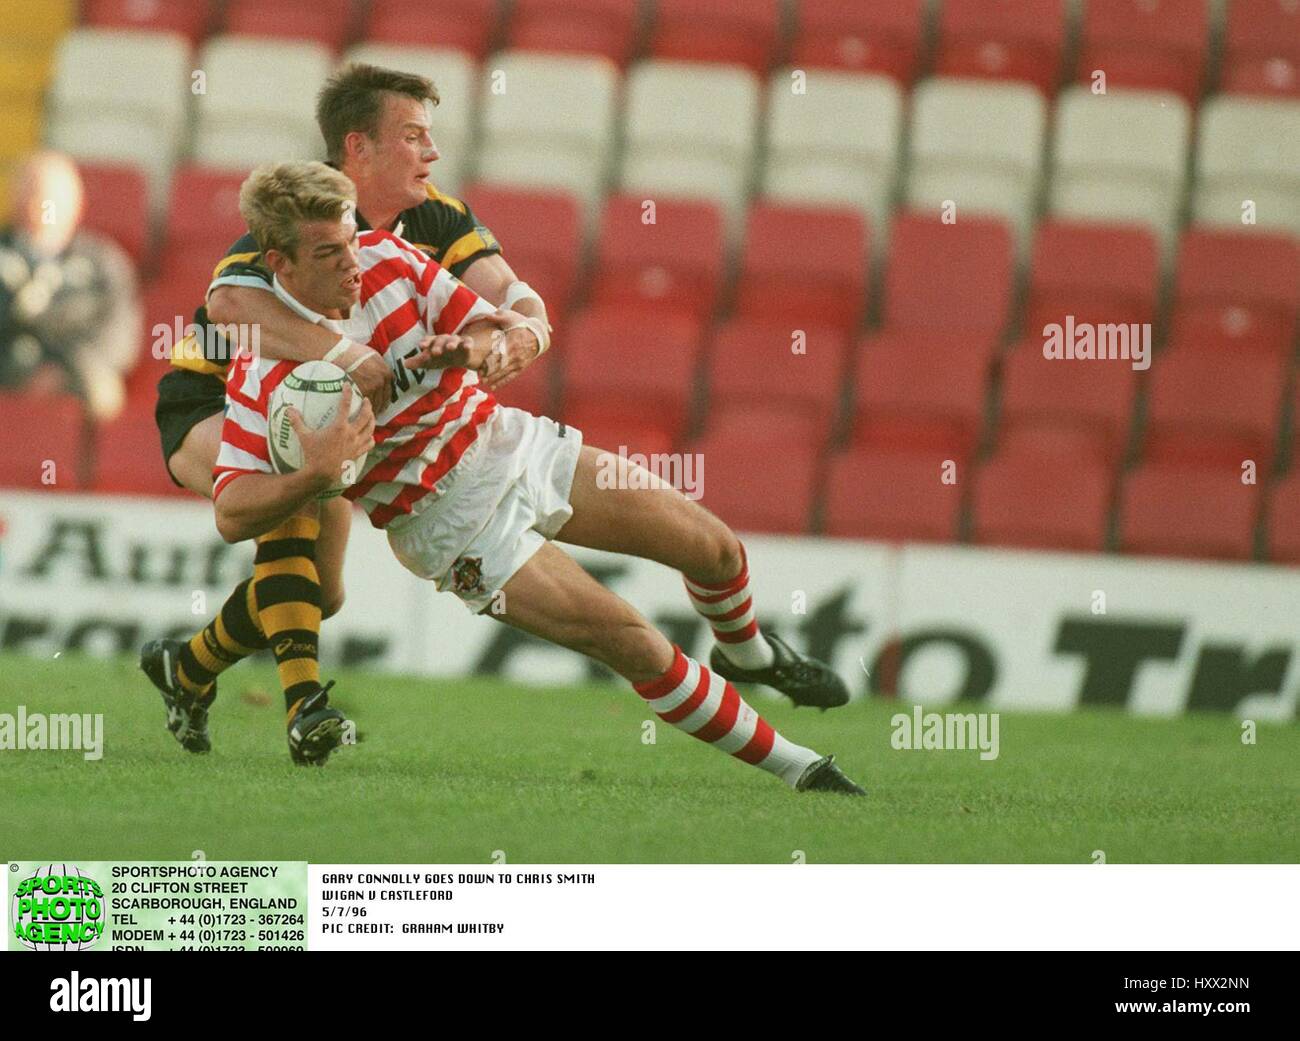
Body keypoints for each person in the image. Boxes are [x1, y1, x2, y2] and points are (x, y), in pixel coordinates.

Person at [210, 160, 862, 793]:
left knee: (716, 547)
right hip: (451, 524)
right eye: (329, 254)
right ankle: (800, 766)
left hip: (511, 442)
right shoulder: (260, 373)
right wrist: (314, 475)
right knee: (634, 642)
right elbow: (233, 511)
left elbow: (486, 324)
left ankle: (746, 653)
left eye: (352, 238)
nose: (354, 262)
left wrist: (478, 346)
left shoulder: (387, 258)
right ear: (279, 264)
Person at [142, 64, 546, 754]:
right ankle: (306, 708)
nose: (432, 152)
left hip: (324, 411)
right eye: (414, 136)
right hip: (208, 396)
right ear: (357, 148)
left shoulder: (438, 218)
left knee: (320, 595)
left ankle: (189, 666)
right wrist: (345, 353)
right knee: (297, 473)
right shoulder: (302, 210)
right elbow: (230, 306)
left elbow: (511, 292)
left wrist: (524, 330)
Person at [0, 151, 141, 419]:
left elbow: (120, 337)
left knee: (104, 391)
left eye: (48, 197)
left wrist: (59, 366)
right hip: (7, 366)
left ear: (76, 203)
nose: (39, 204)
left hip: (77, 374)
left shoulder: (104, 263)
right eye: (30, 192)